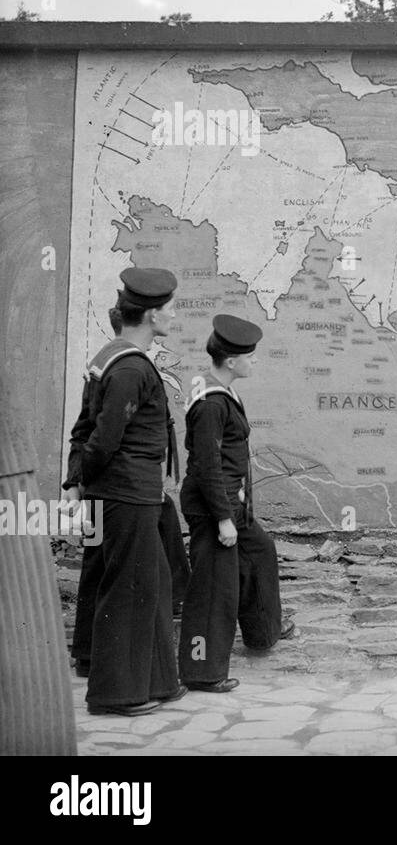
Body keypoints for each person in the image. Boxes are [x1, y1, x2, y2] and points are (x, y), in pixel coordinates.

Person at [60, 268, 186, 715]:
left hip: (118, 492)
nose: (174, 315)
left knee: (145, 578)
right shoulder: (132, 366)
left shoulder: (108, 357)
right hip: (127, 493)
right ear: (151, 315)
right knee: (130, 586)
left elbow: (82, 428)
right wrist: (83, 481)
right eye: (169, 309)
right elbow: (105, 438)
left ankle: (148, 678)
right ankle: (116, 694)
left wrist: (76, 482)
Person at [178, 314, 293, 693]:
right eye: (249, 355)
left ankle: (263, 632)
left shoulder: (221, 391)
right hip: (214, 504)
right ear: (230, 361)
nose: (254, 360)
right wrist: (224, 519)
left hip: (229, 501)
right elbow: (207, 466)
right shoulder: (212, 403)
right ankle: (202, 671)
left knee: (260, 551)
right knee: (215, 588)